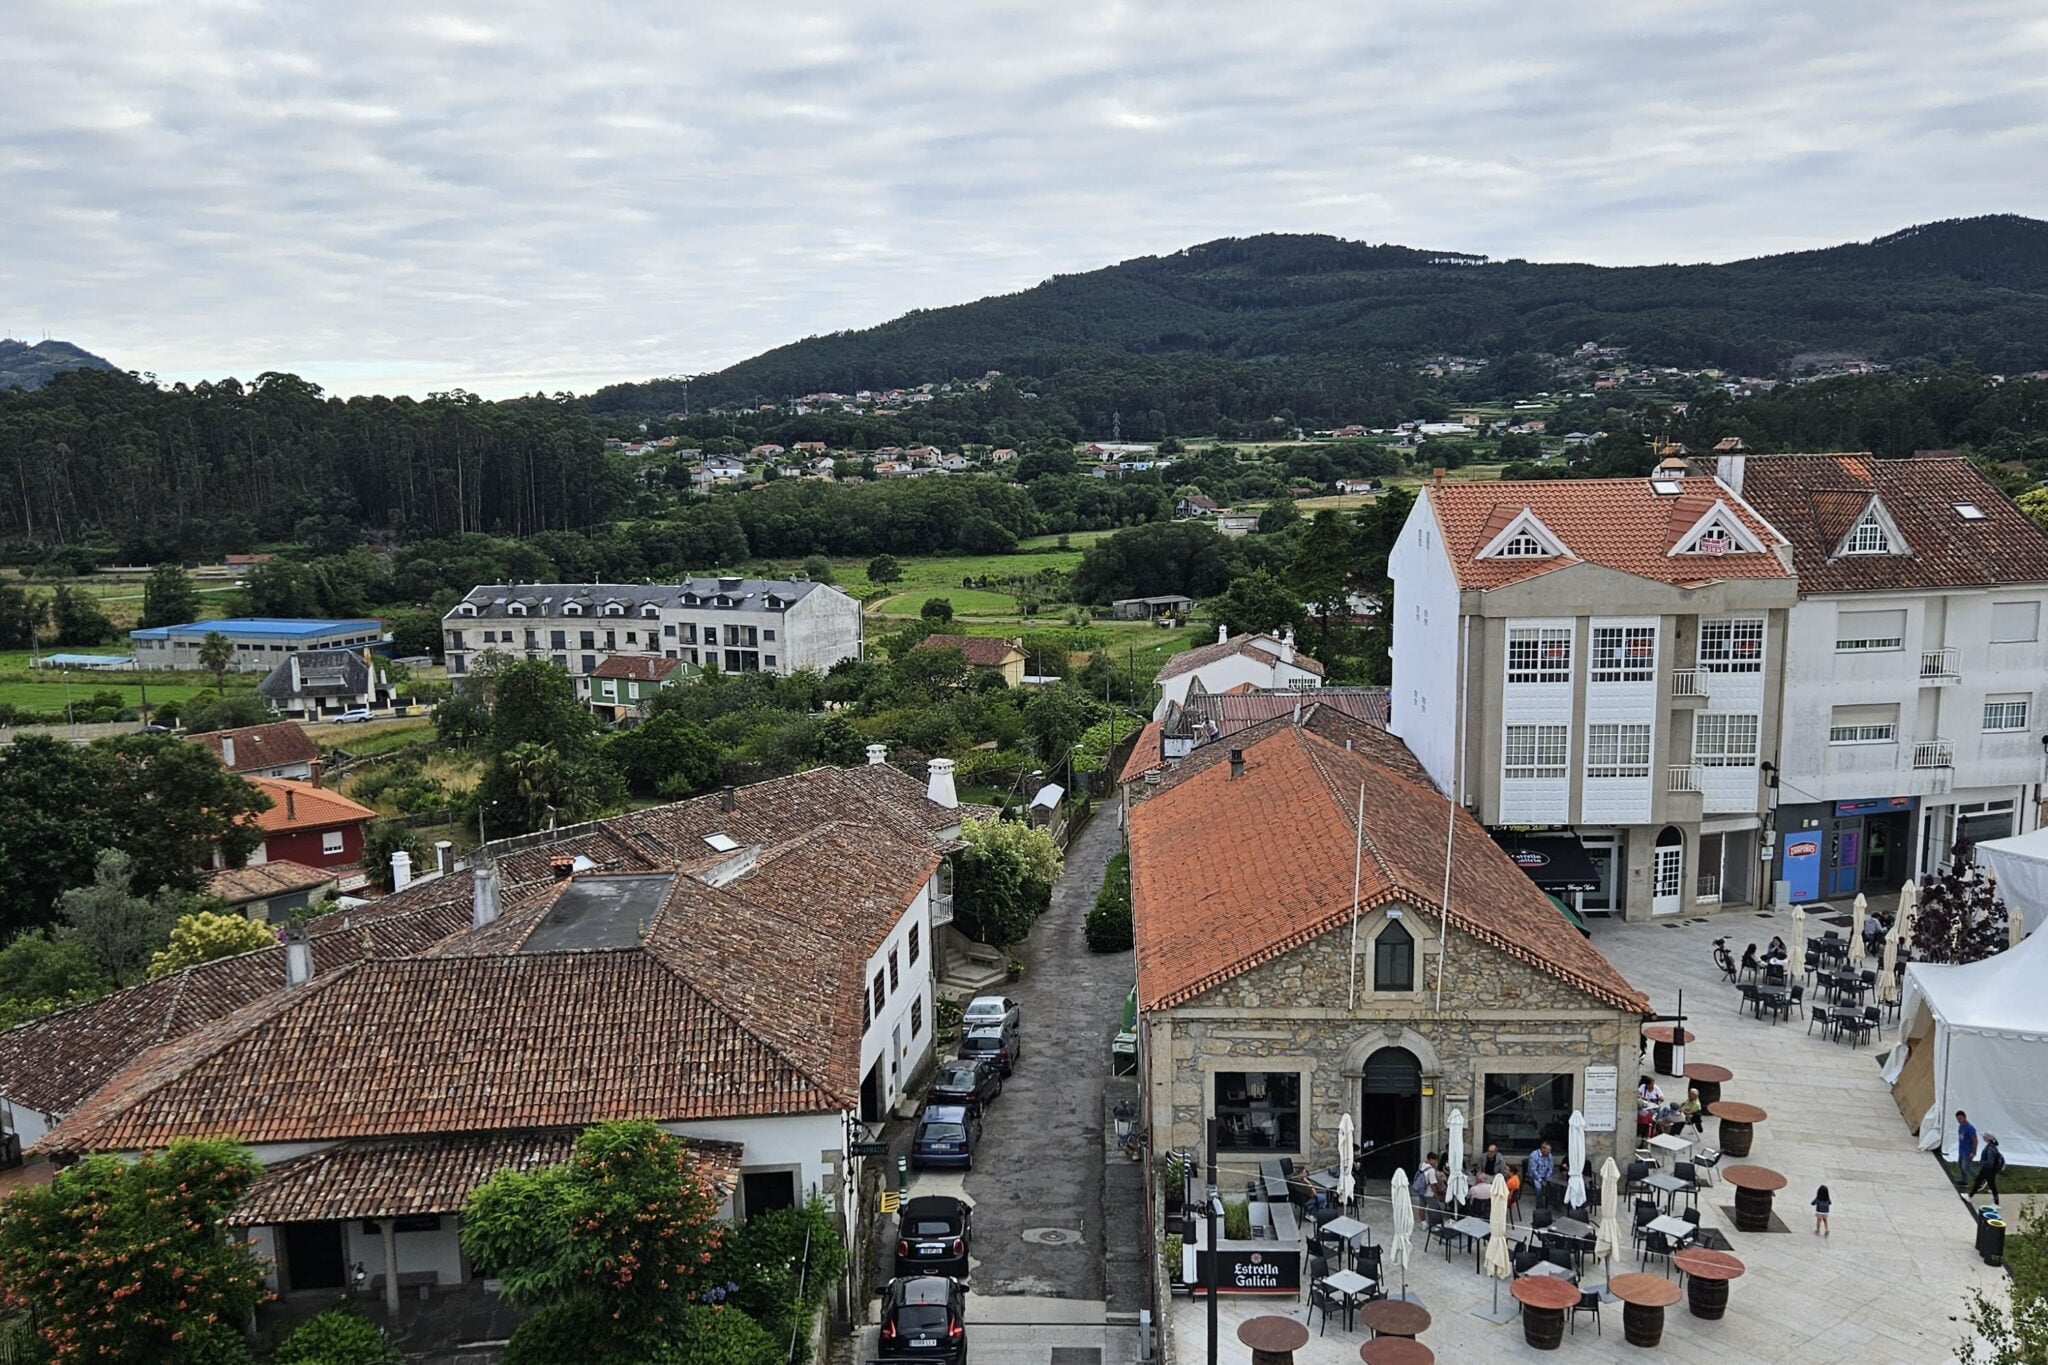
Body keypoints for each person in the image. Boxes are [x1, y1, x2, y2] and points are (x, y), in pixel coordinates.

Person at [1970, 1135, 2006, 1204]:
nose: (1984, 1138)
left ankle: (1996, 1203)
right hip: (1987, 1169)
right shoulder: (1991, 1147)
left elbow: (1990, 1162)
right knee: (1978, 1182)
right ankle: (1970, 1196)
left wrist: (1981, 1162)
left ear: (1988, 1140)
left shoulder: (1990, 1149)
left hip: (1989, 1170)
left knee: (1992, 1186)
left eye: (1985, 1137)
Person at [1527, 1142, 1555, 1209]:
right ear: (1543, 1149)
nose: (1549, 1152)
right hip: (1534, 1177)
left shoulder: (1549, 1156)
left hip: (1545, 1176)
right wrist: (1540, 1180)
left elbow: (1550, 1169)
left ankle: (1551, 1203)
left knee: (1554, 1185)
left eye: (1550, 1150)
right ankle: (1539, 1206)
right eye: (1548, 1150)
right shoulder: (1534, 1155)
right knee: (1538, 1187)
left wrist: (1547, 1178)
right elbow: (1533, 1171)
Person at [1957, 1112, 1980, 1190]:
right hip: (1961, 1150)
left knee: (1966, 1167)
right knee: (1960, 1165)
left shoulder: (1970, 1128)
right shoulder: (1961, 1126)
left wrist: (1973, 1151)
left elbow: (1975, 1141)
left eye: (1960, 1118)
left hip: (1968, 1151)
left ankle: (1979, 1180)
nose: (1959, 1120)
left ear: (1965, 1117)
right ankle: (1964, 1181)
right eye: (1957, 1119)